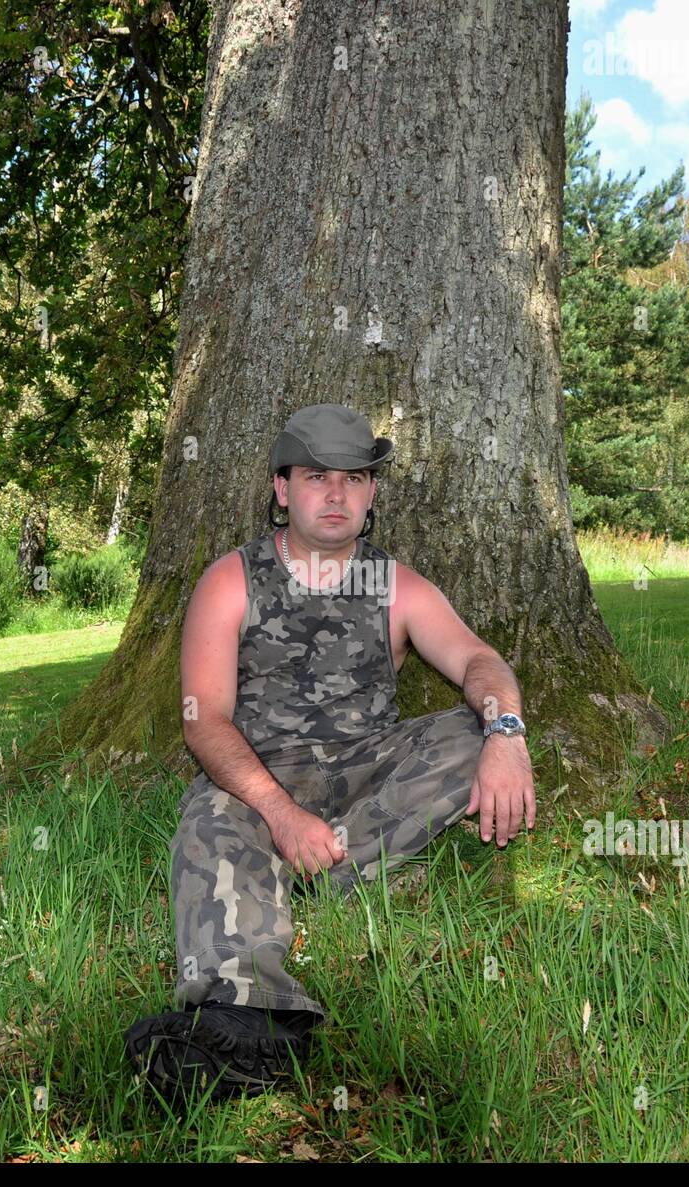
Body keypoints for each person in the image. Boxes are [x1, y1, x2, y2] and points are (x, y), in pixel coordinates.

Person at [125, 403, 535, 1109]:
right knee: (209, 822)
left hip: (370, 772)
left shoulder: (396, 584)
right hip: (259, 779)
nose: (337, 494)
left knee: (473, 733)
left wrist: (507, 735)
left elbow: (477, 660)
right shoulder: (232, 580)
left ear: (373, 492)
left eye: (353, 478)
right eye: (317, 477)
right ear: (283, 489)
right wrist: (281, 814)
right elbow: (204, 721)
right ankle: (248, 1021)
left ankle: (329, 870)